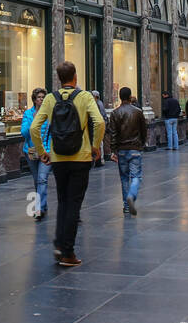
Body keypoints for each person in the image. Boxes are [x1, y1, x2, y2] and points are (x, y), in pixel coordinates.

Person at [31, 61, 105, 267]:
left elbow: (34, 127)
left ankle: (59, 244)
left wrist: (41, 151)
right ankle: (68, 252)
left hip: (57, 157)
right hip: (80, 157)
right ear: (75, 77)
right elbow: (99, 122)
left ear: (59, 78)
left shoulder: (49, 98)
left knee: (63, 201)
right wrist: (96, 146)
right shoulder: (84, 96)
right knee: (74, 203)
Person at [107, 86, 146, 216]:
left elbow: (113, 134)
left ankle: (126, 206)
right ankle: (132, 195)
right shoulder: (138, 112)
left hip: (122, 150)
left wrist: (113, 150)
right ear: (130, 97)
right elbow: (143, 130)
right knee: (136, 176)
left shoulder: (115, 113)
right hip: (135, 148)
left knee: (124, 178)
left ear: (120, 97)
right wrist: (142, 144)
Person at [21, 88, 51, 220]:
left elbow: (52, 135)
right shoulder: (28, 114)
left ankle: (39, 209)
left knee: (42, 179)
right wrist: (33, 122)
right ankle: (43, 205)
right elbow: (24, 133)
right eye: (39, 97)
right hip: (31, 152)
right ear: (34, 100)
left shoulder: (49, 115)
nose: (41, 99)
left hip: (46, 152)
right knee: (36, 180)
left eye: (43, 97)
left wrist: (49, 150)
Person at [91, 90, 108, 167]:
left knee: (99, 143)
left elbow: (100, 116)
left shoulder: (98, 104)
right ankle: (100, 159)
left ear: (95, 97)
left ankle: (100, 159)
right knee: (100, 142)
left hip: (99, 126)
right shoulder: (99, 103)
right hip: (101, 125)